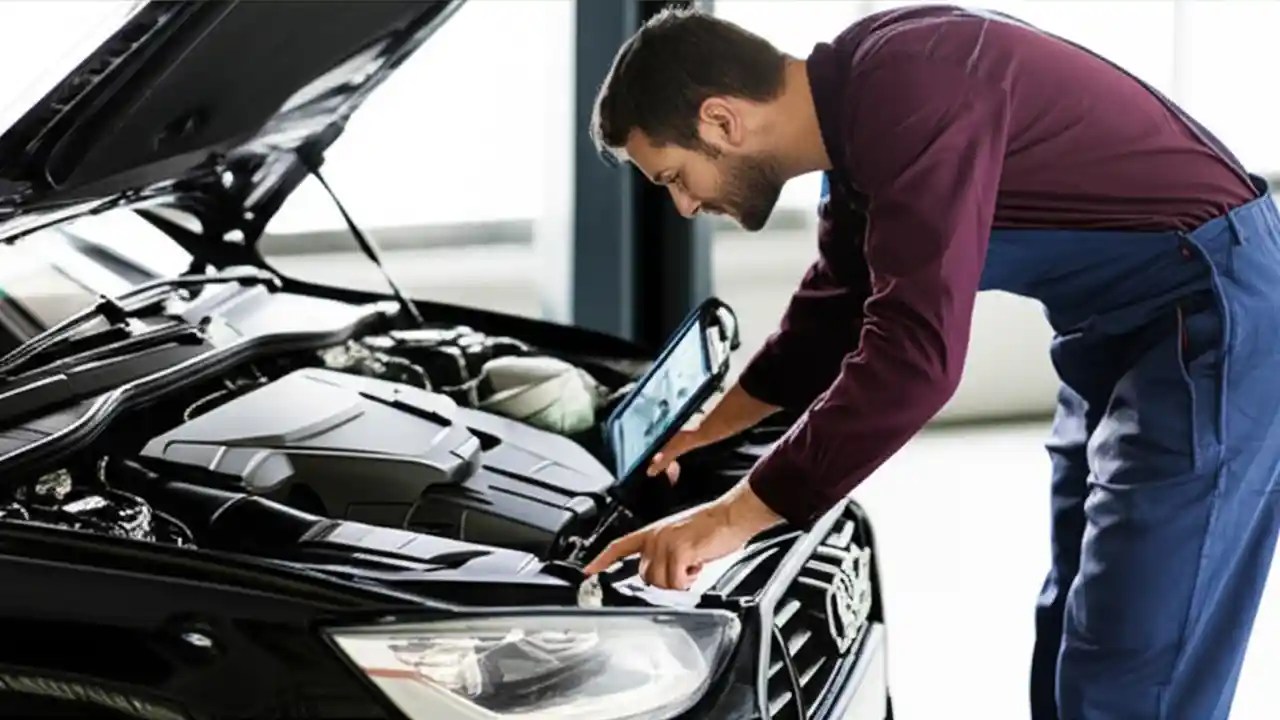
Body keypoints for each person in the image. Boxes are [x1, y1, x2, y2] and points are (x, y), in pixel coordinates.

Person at [581, 5, 1280, 720]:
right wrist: (707, 429)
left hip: (1211, 315)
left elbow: (915, 357)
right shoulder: (857, 122)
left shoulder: (909, 91)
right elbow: (831, 317)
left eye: (673, 177)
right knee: (1076, 624)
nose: (687, 205)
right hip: (1116, 337)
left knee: (1139, 656)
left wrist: (731, 519)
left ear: (722, 122)